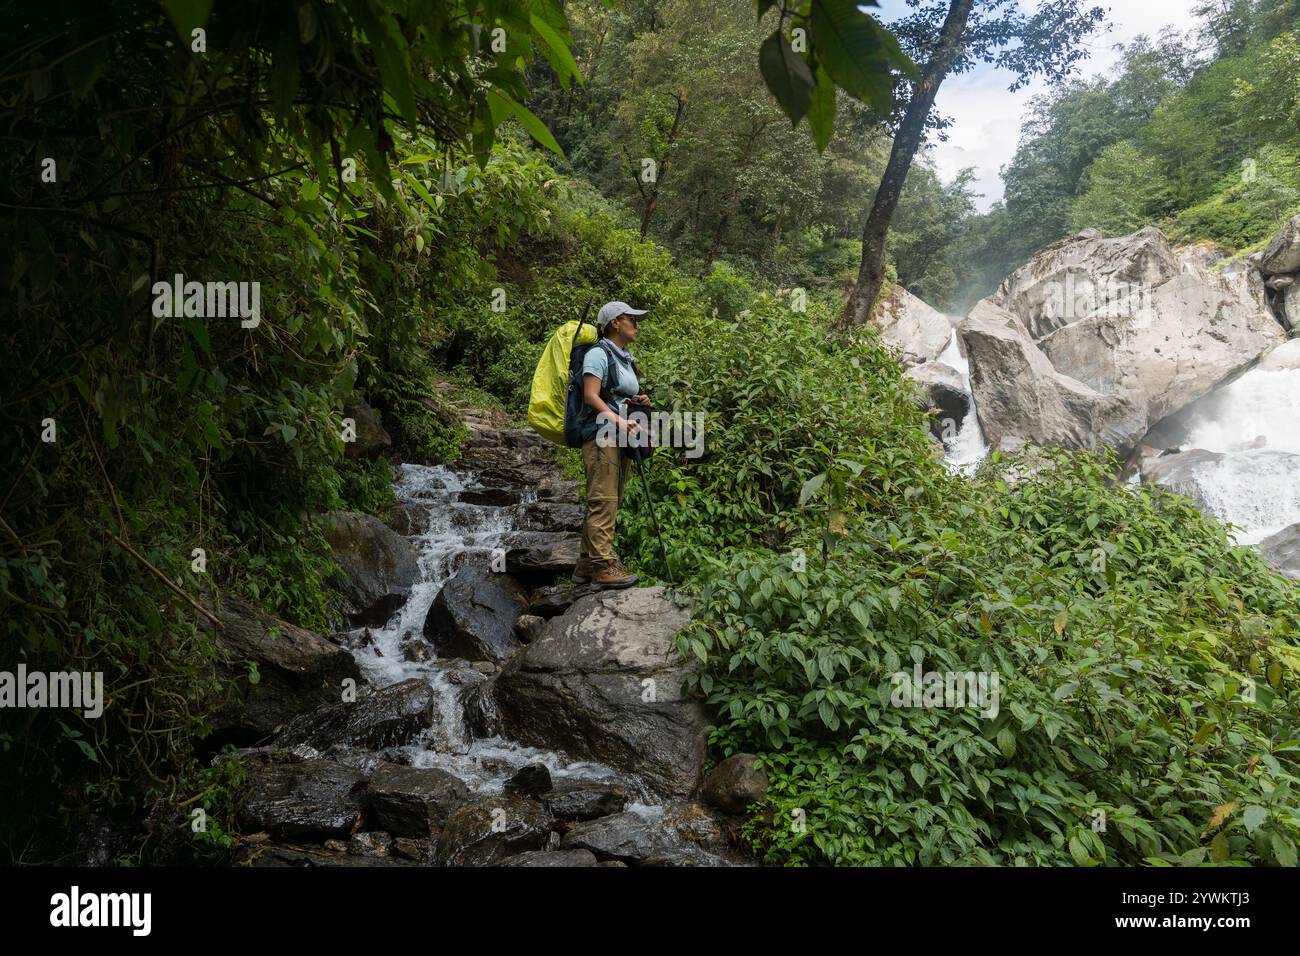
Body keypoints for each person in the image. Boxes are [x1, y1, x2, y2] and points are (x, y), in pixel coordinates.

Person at [572, 301, 652, 588]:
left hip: (618, 436)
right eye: (632, 319)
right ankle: (602, 568)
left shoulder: (624, 358)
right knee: (604, 499)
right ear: (615, 323)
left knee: (609, 498)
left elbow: (617, 395)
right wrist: (619, 421)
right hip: (601, 435)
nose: (637, 324)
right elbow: (591, 396)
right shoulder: (598, 354)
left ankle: (585, 564)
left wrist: (641, 402)